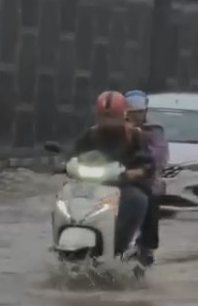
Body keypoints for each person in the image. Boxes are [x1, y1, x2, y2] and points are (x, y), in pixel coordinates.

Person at [69, 91, 153, 257]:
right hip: (89, 186)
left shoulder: (134, 136)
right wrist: (64, 166)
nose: (108, 121)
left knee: (142, 199)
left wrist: (134, 173)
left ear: (123, 115)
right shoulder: (89, 136)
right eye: (104, 116)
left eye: (112, 116)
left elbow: (147, 163)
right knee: (62, 198)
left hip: (122, 186)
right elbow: (73, 157)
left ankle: (137, 245)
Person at [124, 90, 167, 265]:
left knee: (149, 200)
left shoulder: (153, 132)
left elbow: (159, 154)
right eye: (132, 113)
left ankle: (146, 246)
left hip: (141, 178)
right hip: (114, 177)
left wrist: (146, 166)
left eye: (139, 112)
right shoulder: (112, 130)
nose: (136, 116)